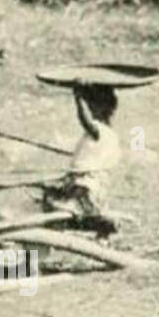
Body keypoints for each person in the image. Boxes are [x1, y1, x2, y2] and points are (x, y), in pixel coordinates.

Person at [41, 82, 120, 219]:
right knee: (48, 192)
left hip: (86, 189)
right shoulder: (110, 135)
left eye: (91, 106)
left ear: (102, 108)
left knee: (56, 198)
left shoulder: (100, 130)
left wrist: (78, 98)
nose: (89, 109)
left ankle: (75, 207)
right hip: (90, 187)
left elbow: (85, 120)